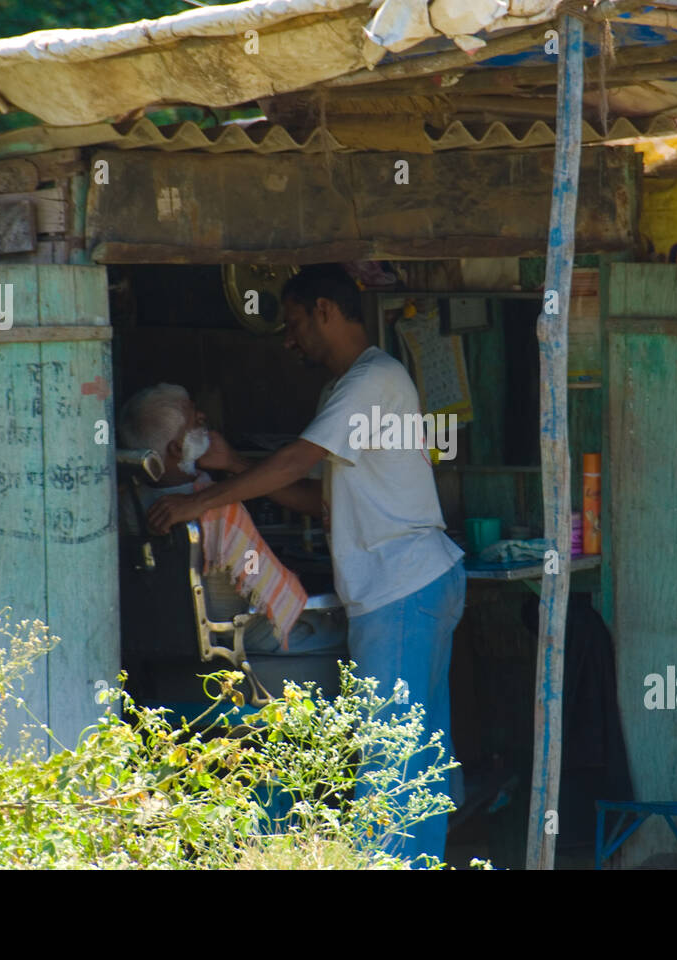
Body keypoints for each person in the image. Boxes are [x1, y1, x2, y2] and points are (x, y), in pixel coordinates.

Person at [146, 264, 466, 864]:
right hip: (414, 583)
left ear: (325, 310)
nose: (288, 339)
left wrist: (199, 499)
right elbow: (312, 494)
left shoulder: (372, 379)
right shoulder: (346, 390)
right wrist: (232, 468)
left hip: (401, 586)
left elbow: (296, 461)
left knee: (392, 754)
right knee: (418, 752)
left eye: (293, 323)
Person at [118, 383, 345, 658]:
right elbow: (263, 583)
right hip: (251, 634)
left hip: (166, 639)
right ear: (177, 448)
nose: (203, 417)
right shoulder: (214, 504)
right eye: (194, 417)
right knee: (347, 629)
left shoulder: (127, 504)